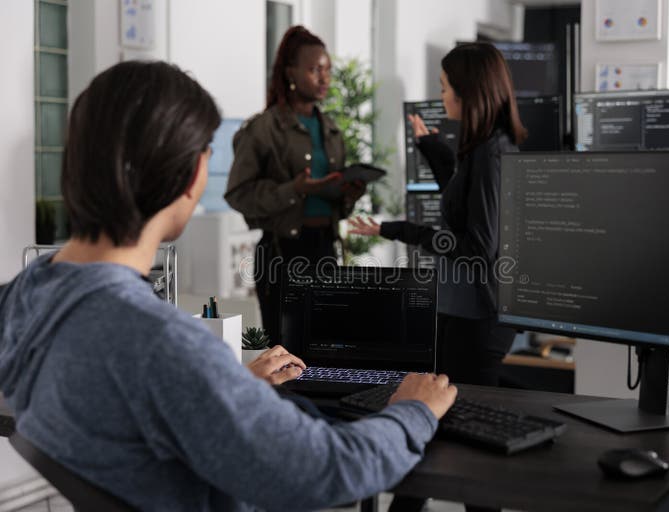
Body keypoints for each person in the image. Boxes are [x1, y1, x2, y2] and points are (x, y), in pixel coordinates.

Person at [0, 60, 457, 511]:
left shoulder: (23, 295)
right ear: (191, 176)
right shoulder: (161, 344)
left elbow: (121, 411)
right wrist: (414, 409)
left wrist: (227, 385)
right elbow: (328, 471)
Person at [350, 44, 526, 511]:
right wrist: (432, 147)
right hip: (457, 308)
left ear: (469, 93)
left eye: (445, 88)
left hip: (478, 317)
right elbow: (458, 201)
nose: (441, 95)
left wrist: (402, 231)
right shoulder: (480, 148)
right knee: (436, 423)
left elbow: (474, 246)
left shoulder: (493, 152)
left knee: (459, 435)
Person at [225, 26, 365, 342]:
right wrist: (296, 190)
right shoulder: (263, 128)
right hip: (281, 252)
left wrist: (347, 195)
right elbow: (238, 193)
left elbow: (334, 203)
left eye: (327, 70)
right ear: (291, 72)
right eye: (315, 70)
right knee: (286, 356)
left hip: (325, 250)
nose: (324, 78)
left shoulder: (331, 130)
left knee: (328, 348)